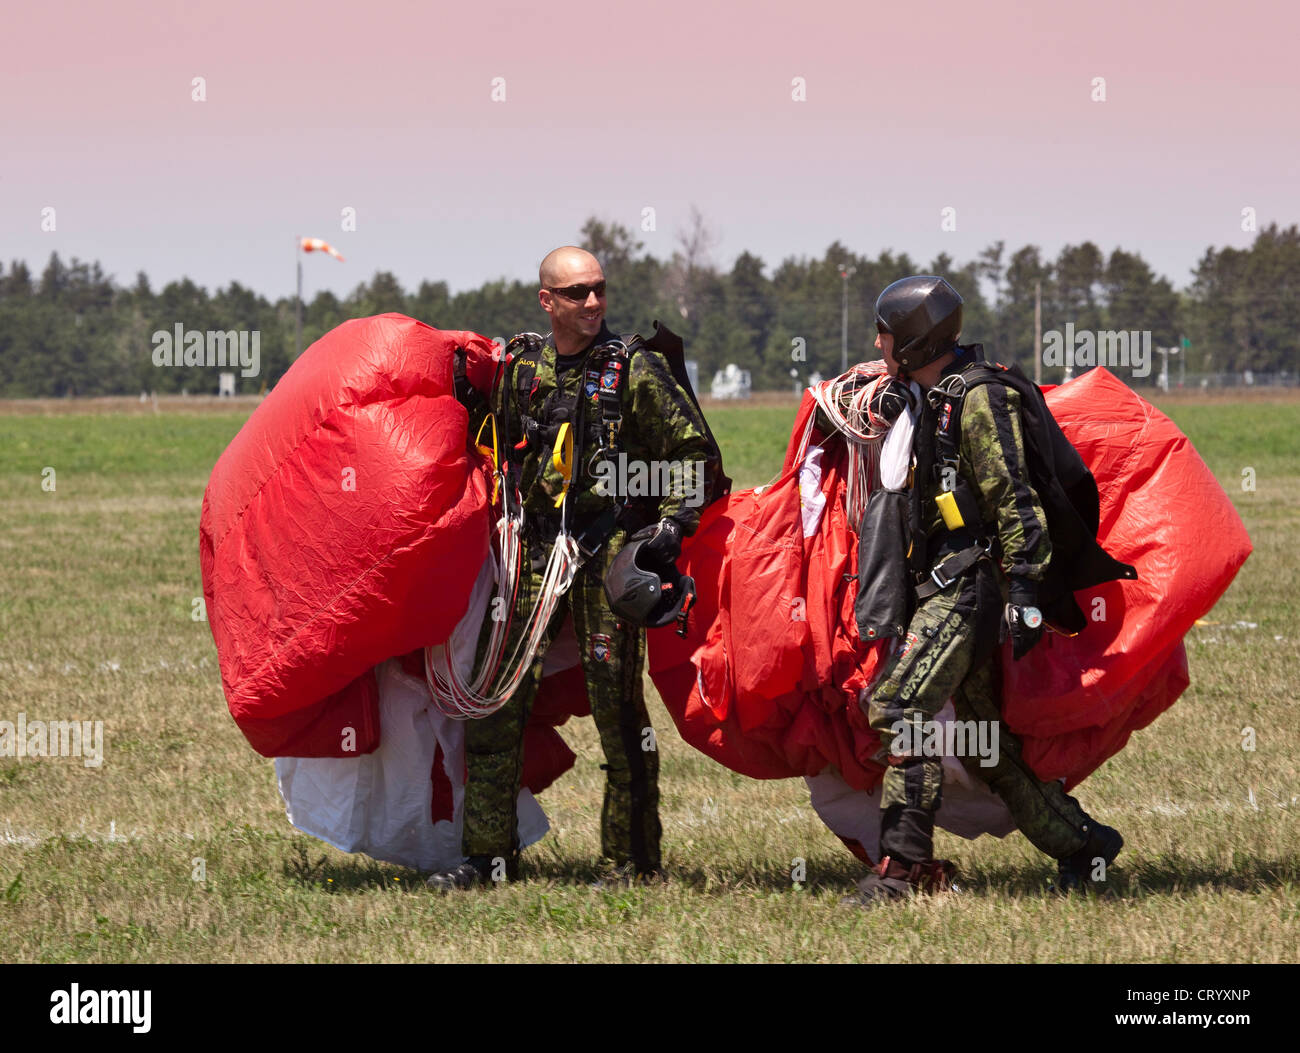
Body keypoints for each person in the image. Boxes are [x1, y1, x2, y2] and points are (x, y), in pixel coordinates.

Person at [427, 246, 717, 889]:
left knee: (618, 710)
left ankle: (632, 862)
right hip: (531, 554)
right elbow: (493, 437)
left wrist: (670, 525)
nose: (592, 303)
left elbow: (694, 452)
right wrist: (458, 402)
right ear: (547, 301)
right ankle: (487, 857)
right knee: (494, 700)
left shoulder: (634, 368)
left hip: (609, 552)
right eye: (577, 293)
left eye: (599, 290)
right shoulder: (523, 366)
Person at [848, 275, 1128, 904]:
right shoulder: (928, 395)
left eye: (887, 334)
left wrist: (1026, 591)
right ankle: (1084, 846)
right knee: (986, 747)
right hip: (943, 586)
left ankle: (900, 872)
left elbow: (1015, 497)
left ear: (916, 342)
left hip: (968, 589)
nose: (878, 343)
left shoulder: (978, 398)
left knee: (899, 707)